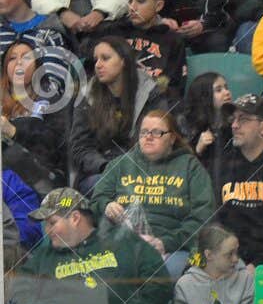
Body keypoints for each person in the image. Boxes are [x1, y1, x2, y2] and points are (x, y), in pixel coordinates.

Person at [7, 185, 172, 304]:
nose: (47, 230)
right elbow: (19, 295)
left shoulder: (123, 241)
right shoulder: (43, 255)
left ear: (75, 218)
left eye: (52, 222)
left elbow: (158, 281)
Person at [90, 103, 211, 276]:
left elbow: (203, 217)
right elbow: (95, 203)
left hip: (172, 249)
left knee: (158, 274)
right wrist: (106, 205)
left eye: (156, 132)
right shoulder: (119, 165)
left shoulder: (190, 167)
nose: (148, 137)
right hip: (119, 245)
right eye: (143, 132)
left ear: (172, 138)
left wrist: (165, 243)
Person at [68, 35, 164, 186]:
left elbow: (159, 139)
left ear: (124, 61)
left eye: (105, 58)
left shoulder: (150, 93)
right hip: (100, 172)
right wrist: (105, 166)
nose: (98, 65)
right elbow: (80, 147)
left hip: (142, 171)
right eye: (96, 60)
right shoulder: (87, 96)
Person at [1, 39, 71, 192]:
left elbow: (56, 144)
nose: (19, 62)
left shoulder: (52, 100)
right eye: (12, 58)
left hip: (41, 177)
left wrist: (14, 132)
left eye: (26, 57)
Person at [213, 93, 263, 268]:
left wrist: (262, 263)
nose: (234, 125)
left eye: (243, 119)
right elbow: (216, 218)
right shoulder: (224, 164)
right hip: (228, 256)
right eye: (233, 119)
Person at [106, 0, 186, 89]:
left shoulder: (173, 40)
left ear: (158, 6)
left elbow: (173, 88)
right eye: (130, 1)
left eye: (140, 1)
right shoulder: (116, 32)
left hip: (154, 101)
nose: (132, 8)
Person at [175, 68, 228, 180]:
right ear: (204, 96)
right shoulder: (186, 124)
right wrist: (198, 149)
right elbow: (179, 169)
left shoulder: (233, 121)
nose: (227, 92)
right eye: (219, 90)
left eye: (226, 88)